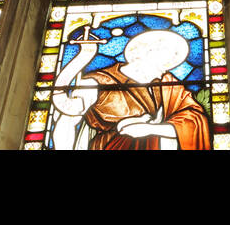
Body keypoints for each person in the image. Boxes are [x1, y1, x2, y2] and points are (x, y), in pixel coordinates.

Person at [50, 30, 210, 150]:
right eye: (166, 58)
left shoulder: (167, 84)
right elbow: (68, 119)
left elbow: (193, 121)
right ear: (143, 53)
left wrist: (149, 129)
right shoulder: (99, 81)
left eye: (172, 60)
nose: (168, 65)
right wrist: (80, 60)